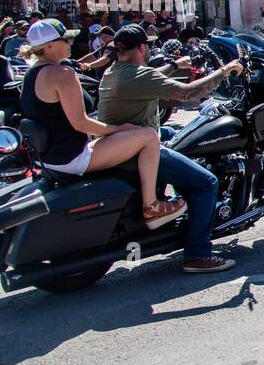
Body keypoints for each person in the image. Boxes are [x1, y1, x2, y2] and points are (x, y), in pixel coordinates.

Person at [97, 25, 246, 273]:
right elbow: (189, 94)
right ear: (142, 48)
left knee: (179, 136)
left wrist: (176, 65)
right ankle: (198, 254)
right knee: (206, 183)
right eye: (149, 45)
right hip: (138, 151)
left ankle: (182, 209)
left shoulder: (114, 72)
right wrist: (224, 71)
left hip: (125, 143)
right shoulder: (137, 76)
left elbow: (151, 78)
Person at [19, 19, 184, 229]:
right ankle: (151, 206)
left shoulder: (31, 73)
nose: (71, 42)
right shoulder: (62, 74)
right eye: (66, 39)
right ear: (49, 45)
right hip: (74, 157)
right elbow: (81, 123)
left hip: (51, 159)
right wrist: (118, 129)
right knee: (149, 135)